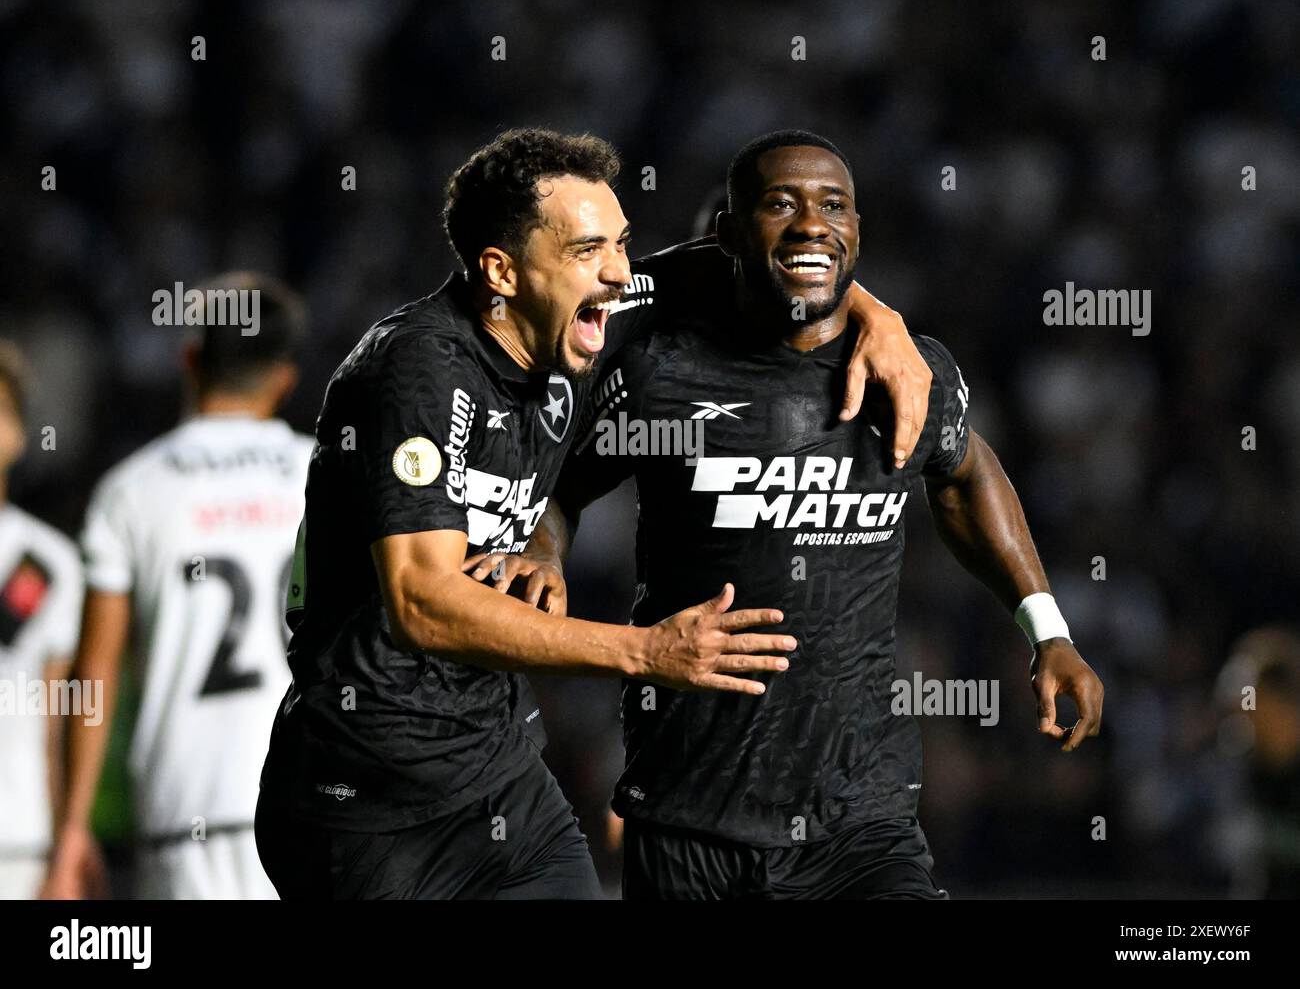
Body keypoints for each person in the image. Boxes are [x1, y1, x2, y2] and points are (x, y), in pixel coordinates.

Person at [254, 128, 928, 900]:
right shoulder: (418, 370)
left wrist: (881, 318)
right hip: (366, 800)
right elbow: (421, 602)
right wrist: (643, 653)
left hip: (503, 783)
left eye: (622, 243)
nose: (617, 273)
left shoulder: (585, 321)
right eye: (586, 250)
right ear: (501, 272)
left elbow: (752, 265)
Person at [515, 130, 1106, 899]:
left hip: (859, 822)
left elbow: (964, 473)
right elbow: (560, 488)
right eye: (780, 204)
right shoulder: (661, 375)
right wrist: (545, 551)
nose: (810, 222)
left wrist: (1047, 629)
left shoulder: (911, 375)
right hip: (691, 814)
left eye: (833, 205)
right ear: (726, 233)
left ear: (858, 230)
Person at [42, 273, 312, 899]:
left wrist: (73, 829)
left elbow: (96, 673)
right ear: (284, 378)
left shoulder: (129, 492)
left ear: (189, 359)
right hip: (319, 805)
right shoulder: (325, 470)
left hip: (183, 812)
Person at [0, 341, 84, 899]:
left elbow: (55, 719)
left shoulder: (49, 560)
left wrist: (66, 844)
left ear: (18, 434)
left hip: (19, 842)